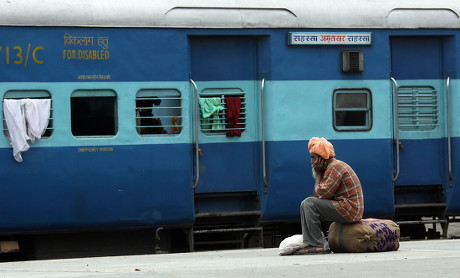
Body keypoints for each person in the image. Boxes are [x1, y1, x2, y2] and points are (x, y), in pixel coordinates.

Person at [297, 137, 364, 254]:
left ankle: (317, 244)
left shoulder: (334, 167)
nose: (311, 162)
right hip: (347, 208)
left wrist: (318, 175)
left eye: (313, 158)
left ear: (322, 158)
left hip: (349, 209)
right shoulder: (331, 167)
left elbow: (321, 195)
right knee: (307, 203)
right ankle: (312, 242)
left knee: (308, 203)